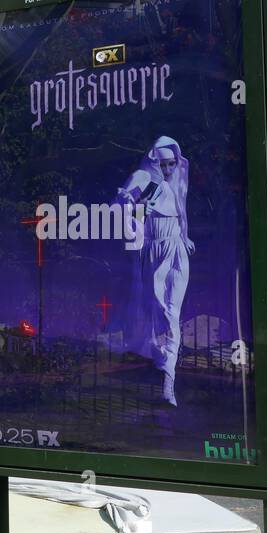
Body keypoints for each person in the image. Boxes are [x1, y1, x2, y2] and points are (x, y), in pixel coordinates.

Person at [117, 136, 194, 407]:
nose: (169, 169)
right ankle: (158, 362)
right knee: (158, 309)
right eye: (164, 164)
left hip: (176, 248)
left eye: (173, 163)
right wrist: (138, 209)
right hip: (153, 249)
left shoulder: (176, 182)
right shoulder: (142, 176)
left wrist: (184, 237)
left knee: (173, 313)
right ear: (154, 162)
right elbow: (119, 205)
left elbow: (180, 213)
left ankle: (168, 381)